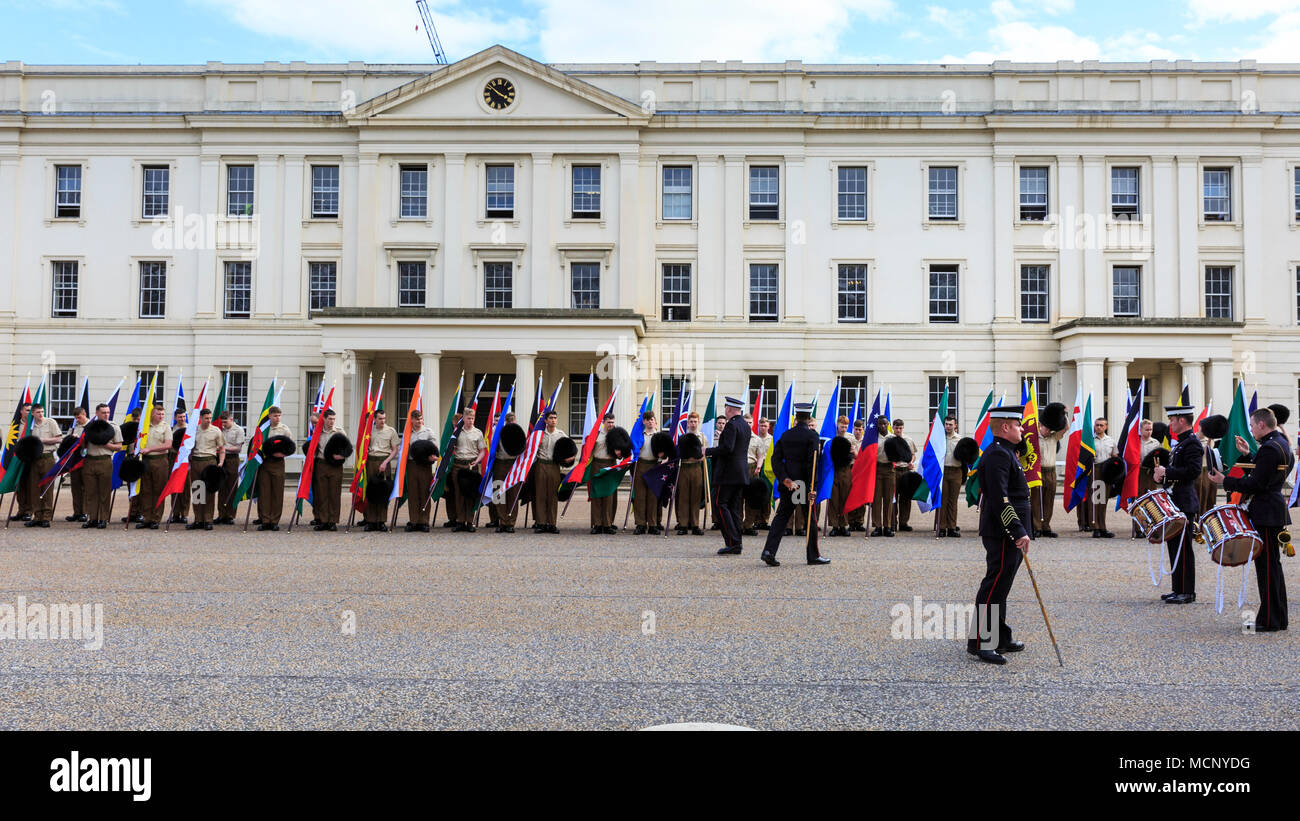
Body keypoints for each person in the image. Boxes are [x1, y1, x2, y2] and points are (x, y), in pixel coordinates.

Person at [1210, 406, 1292, 631]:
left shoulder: (1270, 448)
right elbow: (1263, 472)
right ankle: (1278, 617)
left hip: (1265, 511)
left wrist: (1224, 480)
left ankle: (1270, 621)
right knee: (1272, 566)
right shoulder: (1282, 444)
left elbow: (1257, 483)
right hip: (1272, 509)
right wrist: (1248, 454)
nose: (1251, 430)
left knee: (1266, 568)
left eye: (1252, 425)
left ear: (1262, 425)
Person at [967, 405, 1032, 665]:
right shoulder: (997, 455)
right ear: (1005, 427)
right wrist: (1016, 530)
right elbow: (999, 499)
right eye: (1018, 425)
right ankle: (983, 642)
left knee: (1002, 586)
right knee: (994, 585)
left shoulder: (1006, 452)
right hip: (1003, 531)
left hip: (1010, 530)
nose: (1022, 429)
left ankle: (1000, 637)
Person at [760, 402, 830, 567]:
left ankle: (768, 551)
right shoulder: (812, 436)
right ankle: (813, 556)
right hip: (804, 484)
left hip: (789, 484)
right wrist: (813, 488)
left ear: (796, 417)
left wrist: (785, 478)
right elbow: (812, 463)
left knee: (781, 518)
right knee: (810, 520)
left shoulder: (786, 435)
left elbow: (775, 459)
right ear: (808, 417)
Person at [1151, 403, 1203, 604]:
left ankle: (1187, 592)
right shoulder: (1181, 443)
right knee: (1174, 546)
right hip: (1175, 501)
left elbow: (1193, 471)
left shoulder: (1192, 443)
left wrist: (1168, 472)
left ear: (1182, 420)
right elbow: (1176, 473)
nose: (1170, 423)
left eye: (1172, 420)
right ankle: (1178, 587)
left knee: (1183, 549)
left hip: (1184, 502)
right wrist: (1162, 477)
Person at [711, 397, 752, 555]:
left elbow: (727, 448)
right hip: (740, 472)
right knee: (734, 508)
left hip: (728, 474)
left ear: (729, 409)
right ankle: (737, 541)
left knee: (720, 504)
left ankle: (732, 541)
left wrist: (707, 451)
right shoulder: (745, 425)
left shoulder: (731, 426)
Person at [23, 403, 63, 528]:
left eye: (42, 411)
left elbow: (59, 439)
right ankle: (37, 516)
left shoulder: (50, 422)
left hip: (47, 458)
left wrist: (42, 440)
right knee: (34, 489)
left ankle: (46, 517)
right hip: (34, 460)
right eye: (38, 412)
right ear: (33, 414)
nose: (41, 414)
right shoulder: (30, 426)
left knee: (47, 488)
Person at [133, 404, 172, 530]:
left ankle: (156, 518)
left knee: (158, 490)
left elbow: (168, 445)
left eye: (162, 414)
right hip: (145, 461)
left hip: (159, 460)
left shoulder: (165, 427)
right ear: (151, 414)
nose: (161, 416)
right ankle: (147, 518)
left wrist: (150, 449)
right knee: (146, 490)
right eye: (158, 414)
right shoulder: (144, 427)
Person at [188, 408, 225, 530]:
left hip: (210, 461)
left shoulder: (216, 431)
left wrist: (220, 462)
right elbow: (189, 447)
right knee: (198, 491)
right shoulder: (194, 430)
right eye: (206, 418)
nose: (209, 420)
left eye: (210, 418)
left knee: (209, 491)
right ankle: (198, 519)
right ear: (201, 418)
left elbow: (221, 448)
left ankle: (208, 520)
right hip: (196, 461)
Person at [450, 406, 486, 532]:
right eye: (468, 418)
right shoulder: (457, 431)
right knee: (459, 494)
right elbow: (450, 448)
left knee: (471, 494)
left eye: (473, 418)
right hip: (458, 465)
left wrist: (478, 460)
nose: (471, 421)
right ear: (463, 418)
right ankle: (460, 521)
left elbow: (482, 450)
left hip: (472, 465)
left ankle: (470, 522)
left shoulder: (478, 433)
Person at [255, 406, 291, 530]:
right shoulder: (264, 428)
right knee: (264, 492)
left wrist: (283, 454)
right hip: (265, 462)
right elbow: (256, 444)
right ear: (269, 416)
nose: (277, 418)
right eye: (275, 416)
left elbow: (290, 446)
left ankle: (274, 521)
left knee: (277, 492)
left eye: (279, 415)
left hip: (278, 463)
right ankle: (265, 520)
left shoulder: (284, 429)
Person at [530, 410, 566, 534]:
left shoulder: (561, 435)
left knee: (552, 495)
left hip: (554, 466)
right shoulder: (538, 435)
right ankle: (541, 523)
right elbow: (531, 449)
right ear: (545, 420)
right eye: (551, 418)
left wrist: (568, 459)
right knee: (540, 495)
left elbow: (569, 448)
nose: (553, 420)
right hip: (541, 465)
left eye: (555, 418)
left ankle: (552, 523)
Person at [363, 409, 398, 532]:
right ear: (375, 419)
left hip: (384, 461)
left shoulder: (390, 431)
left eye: (384, 418)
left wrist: (386, 462)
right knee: (372, 491)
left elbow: (394, 450)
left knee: (383, 492)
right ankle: (371, 521)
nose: (383, 421)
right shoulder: (369, 431)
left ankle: (381, 521)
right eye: (380, 419)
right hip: (371, 461)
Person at [403, 410, 437, 532]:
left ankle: (424, 522)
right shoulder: (408, 433)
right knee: (413, 494)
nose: (419, 421)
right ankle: (414, 521)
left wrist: (432, 456)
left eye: (420, 418)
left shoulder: (428, 432)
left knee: (424, 493)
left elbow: (434, 448)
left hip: (424, 466)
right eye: (416, 419)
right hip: (411, 465)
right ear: (411, 420)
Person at [1085, 417, 1117, 538]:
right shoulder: (1091, 441)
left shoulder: (1111, 441)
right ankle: (1095, 527)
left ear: (1106, 427)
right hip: (1095, 469)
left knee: (1103, 500)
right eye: (1097, 425)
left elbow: (1115, 456)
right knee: (1095, 499)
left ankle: (1103, 526)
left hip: (1107, 470)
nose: (1099, 427)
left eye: (1101, 425)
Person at [675, 412, 706, 536]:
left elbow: (705, 453)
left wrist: (701, 457)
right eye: (691, 421)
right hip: (684, 467)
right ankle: (683, 524)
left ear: (698, 422)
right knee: (683, 496)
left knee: (695, 497)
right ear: (688, 422)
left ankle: (695, 524)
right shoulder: (682, 437)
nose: (693, 424)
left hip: (696, 468)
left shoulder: (703, 437)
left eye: (695, 421)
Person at [313, 409, 344, 531]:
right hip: (321, 464)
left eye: (333, 419)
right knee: (321, 493)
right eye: (329, 419)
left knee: (334, 493)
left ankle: (333, 521)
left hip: (335, 466)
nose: (332, 421)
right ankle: (323, 520)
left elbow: (346, 448)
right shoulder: (318, 432)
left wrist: (341, 455)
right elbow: (313, 448)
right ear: (324, 419)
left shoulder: (339, 432)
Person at [632, 410, 662, 535]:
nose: (650, 422)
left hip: (655, 466)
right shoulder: (639, 435)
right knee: (640, 496)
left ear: (655, 422)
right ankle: (640, 524)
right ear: (643, 422)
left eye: (652, 419)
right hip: (641, 465)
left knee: (653, 496)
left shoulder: (659, 436)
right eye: (647, 420)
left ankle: (653, 524)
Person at [588, 412, 619, 534]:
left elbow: (623, 450)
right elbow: (588, 450)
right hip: (597, 464)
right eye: (608, 422)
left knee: (609, 496)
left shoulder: (617, 435)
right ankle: (597, 524)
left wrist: (620, 453)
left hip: (611, 464)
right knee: (597, 495)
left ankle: (607, 524)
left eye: (612, 422)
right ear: (603, 422)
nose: (611, 424)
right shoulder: (596, 434)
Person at [826, 415, 856, 537]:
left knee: (844, 497)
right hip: (833, 469)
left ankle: (843, 525)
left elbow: (857, 455)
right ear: (837, 424)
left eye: (846, 426)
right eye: (842, 426)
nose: (843, 429)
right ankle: (834, 525)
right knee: (834, 498)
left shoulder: (851, 438)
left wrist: (853, 450)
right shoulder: (831, 435)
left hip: (845, 469)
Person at [742, 417, 772, 535]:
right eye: (746, 422)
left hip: (752, 468)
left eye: (750, 422)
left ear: (752, 424)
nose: (748, 424)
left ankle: (748, 524)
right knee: (739, 498)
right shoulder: (739, 436)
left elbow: (760, 456)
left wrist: (759, 466)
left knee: (752, 498)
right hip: (740, 468)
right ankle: (738, 524)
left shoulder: (757, 439)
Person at [1034, 422, 1062, 538]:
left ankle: (1046, 526)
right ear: (1040, 426)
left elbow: (1065, 428)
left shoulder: (1054, 437)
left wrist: (1063, 413)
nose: (1048, 430)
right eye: (1046, 427)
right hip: (1038, 471)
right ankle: (1036, 527)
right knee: (1036, 500)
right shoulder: (1034, 438)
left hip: (1051, 472)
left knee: (1049, 500)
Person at [216, 411, 245, 524]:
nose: (224, 424)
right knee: (221, 488)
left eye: (226, 422)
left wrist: (223, 448)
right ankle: (221, 514)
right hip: (220, 459)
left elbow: (238, 448)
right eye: (222, 422)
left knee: (231, 487)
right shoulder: (220, 429)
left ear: (231, 419)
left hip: (232, 459)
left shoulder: (238, 430)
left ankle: (230, 515)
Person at [870, 416, 896, 537]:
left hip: (889, 469)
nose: (883, 426)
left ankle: (887, 526)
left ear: (888, 424)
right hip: (877, 468)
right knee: (876, 499)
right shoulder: (873, 438)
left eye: (885, 424)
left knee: (888, 499)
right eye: (880, 424)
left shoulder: (893, 438)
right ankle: (877, 526)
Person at [1134, 419, 1159, 538]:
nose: (1149, 432)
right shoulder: (1135, 441)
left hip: (1151, 474)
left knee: (1151, 501)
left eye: (1151, 429)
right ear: (1141, 430)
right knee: (1139, 501)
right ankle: (1139, 528)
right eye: (1146, 429)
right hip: (1139, 474)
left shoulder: (1155, 443)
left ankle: (1151, 526)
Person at [64, 406, 90, 522]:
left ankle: (85, 512)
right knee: (75, 488)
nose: (77, 420)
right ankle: (77, 512)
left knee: (85, 487)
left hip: (86, 460)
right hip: (74, 461)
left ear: (84, 414)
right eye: (76, 418)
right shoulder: (74, 428)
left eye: (79, 417)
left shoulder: (90, 426)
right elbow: (66, 442)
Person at [892, 419, 917, 532]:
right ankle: (892, 522)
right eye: (896, 428)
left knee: (906, 498)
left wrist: (911, 462)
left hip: (905, 470)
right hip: (894, 470)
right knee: (893, 498)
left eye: (900, 428)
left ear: (903, 428)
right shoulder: (890, 440)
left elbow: (913, 455)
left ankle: (903, 522)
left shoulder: (908, 440)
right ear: (893, 427)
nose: (898, 430)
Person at [939, 416, 963, 537]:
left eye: (950, 424)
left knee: (953, 501)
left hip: (956, 471)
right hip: (943, 472)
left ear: (955, 425)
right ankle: (942, 527)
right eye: (946, 424)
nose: (948, 427)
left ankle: (952, 527)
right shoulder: (939, 438)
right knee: (942, 500)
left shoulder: (960, 440)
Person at [169, 408, 190, 524]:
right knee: (174, 485)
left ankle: (184, 513)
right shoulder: (171, 430)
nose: (182, 419)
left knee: (186, 487)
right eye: (179, 417)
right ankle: (175, 513)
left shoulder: (190, 429)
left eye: (183, 417)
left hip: (186, 459)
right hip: (174, 457)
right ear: (175, 418)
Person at [847, 419, 867, 532]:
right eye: (856, 429)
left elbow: (865, 457)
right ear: (853, 429)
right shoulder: (849, 439)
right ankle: (850, 522)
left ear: (863, 430)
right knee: (850, 494)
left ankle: (859, 521)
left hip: (862, 469)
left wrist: (856, 454)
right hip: (851, 468)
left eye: (860, 429)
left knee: (861, 496)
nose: (858, 431)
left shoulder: (866, 441)